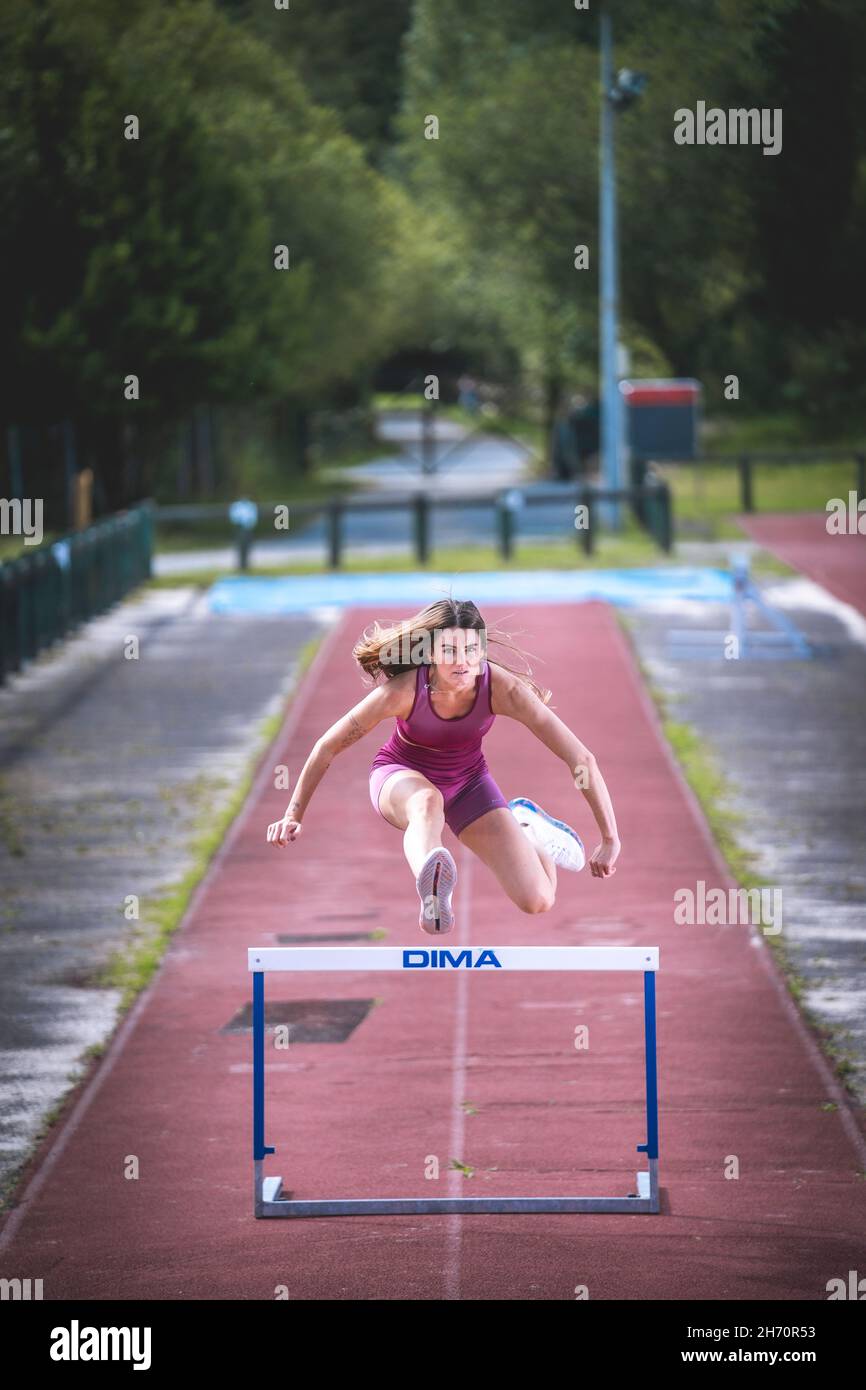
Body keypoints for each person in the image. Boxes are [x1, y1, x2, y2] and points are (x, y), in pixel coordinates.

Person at [267, 598, 621, 934]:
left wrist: (609, 837)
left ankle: (526, 827)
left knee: (538, 900)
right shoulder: (403, 691)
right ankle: (433, 892)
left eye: (470, 650)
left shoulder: (502, 689)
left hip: (469, 783)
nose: (462, 662)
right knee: (427, 802)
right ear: (429, 652)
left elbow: (580, 758)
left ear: (482, 650)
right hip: (401, 776)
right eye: (449, 651)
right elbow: (326, 746)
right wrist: (293, 814)